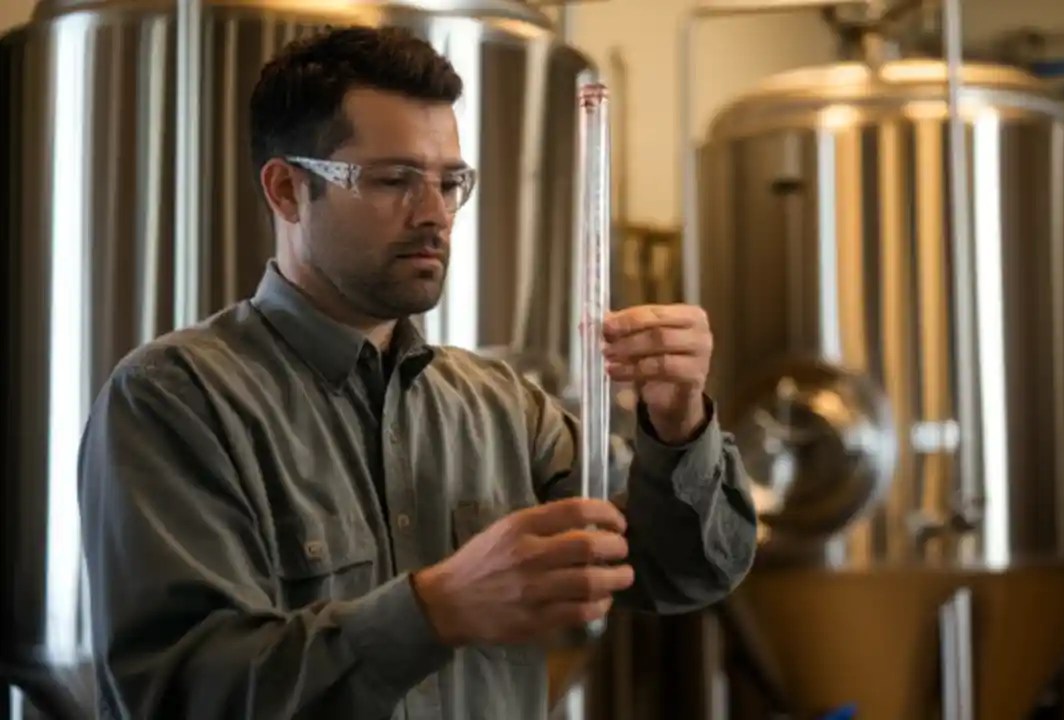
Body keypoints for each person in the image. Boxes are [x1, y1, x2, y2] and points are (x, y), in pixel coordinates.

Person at [77, 25, 756, 720]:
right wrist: (435, 610)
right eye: (395, 180)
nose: (435, 214)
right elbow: (178, 694)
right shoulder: (177, 400)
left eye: (450, 181)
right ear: (287, 190)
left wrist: (677, 422)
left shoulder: (502, 408)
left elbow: (686, 570)